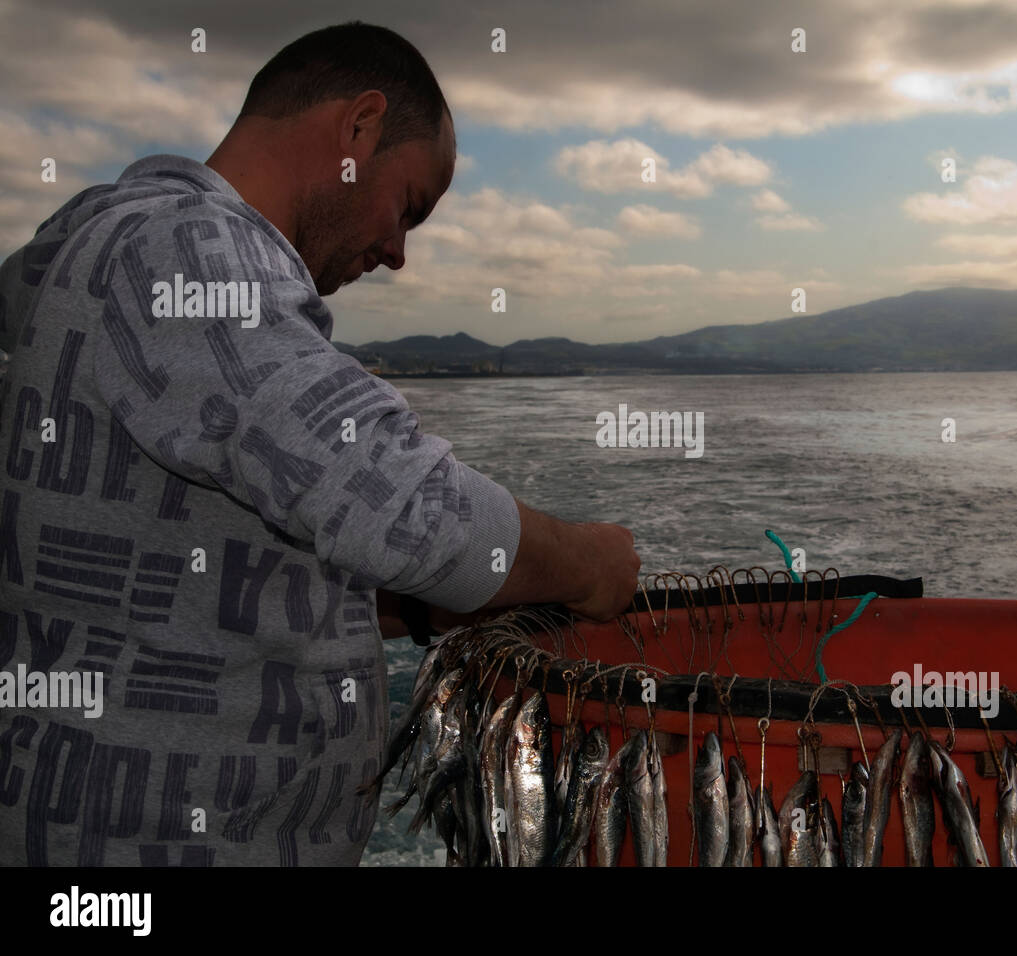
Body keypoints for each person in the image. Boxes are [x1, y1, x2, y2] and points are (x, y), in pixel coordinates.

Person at [0, 21, 640, 866]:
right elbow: (411, 509)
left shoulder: (79, 252)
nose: (399, 253)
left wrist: (411, 608)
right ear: (358, 128)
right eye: (407, 206)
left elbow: (153, 561)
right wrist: (591, 563)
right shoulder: (183, 250)